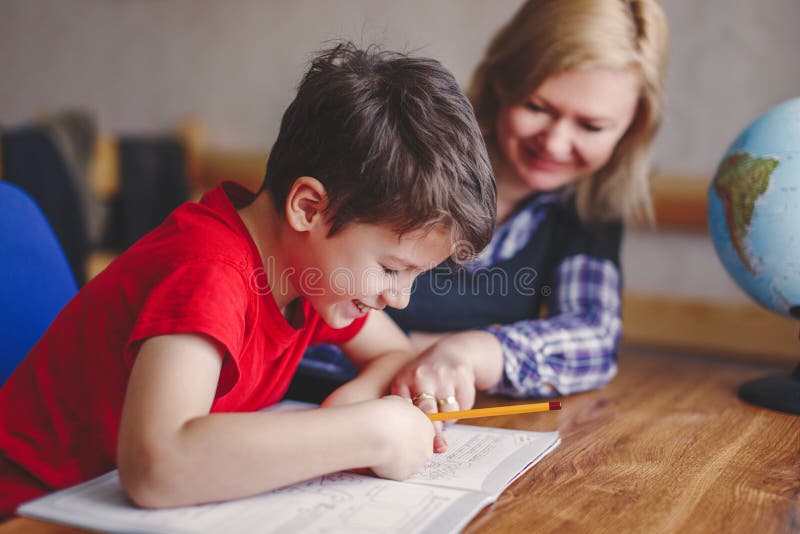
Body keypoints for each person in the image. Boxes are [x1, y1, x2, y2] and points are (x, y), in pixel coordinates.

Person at [0, 42, 496, 516]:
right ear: (309, 208)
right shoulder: (211, 270)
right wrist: (367, 432)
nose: (402, 298)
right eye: (391, 269)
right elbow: (155, 466)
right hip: (31, 511)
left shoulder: (305, 274)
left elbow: (393, 353)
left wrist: (352, 403)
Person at [291, 0, 669, 449]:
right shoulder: (411, 151)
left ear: (631, 128)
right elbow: (295, 304)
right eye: (538, 106)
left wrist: (466, 353)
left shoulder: (589, 208)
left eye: (591, 126)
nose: (555, 141)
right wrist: (414, 355)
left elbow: (593, 337)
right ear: (501, 82)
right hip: (295, 405)